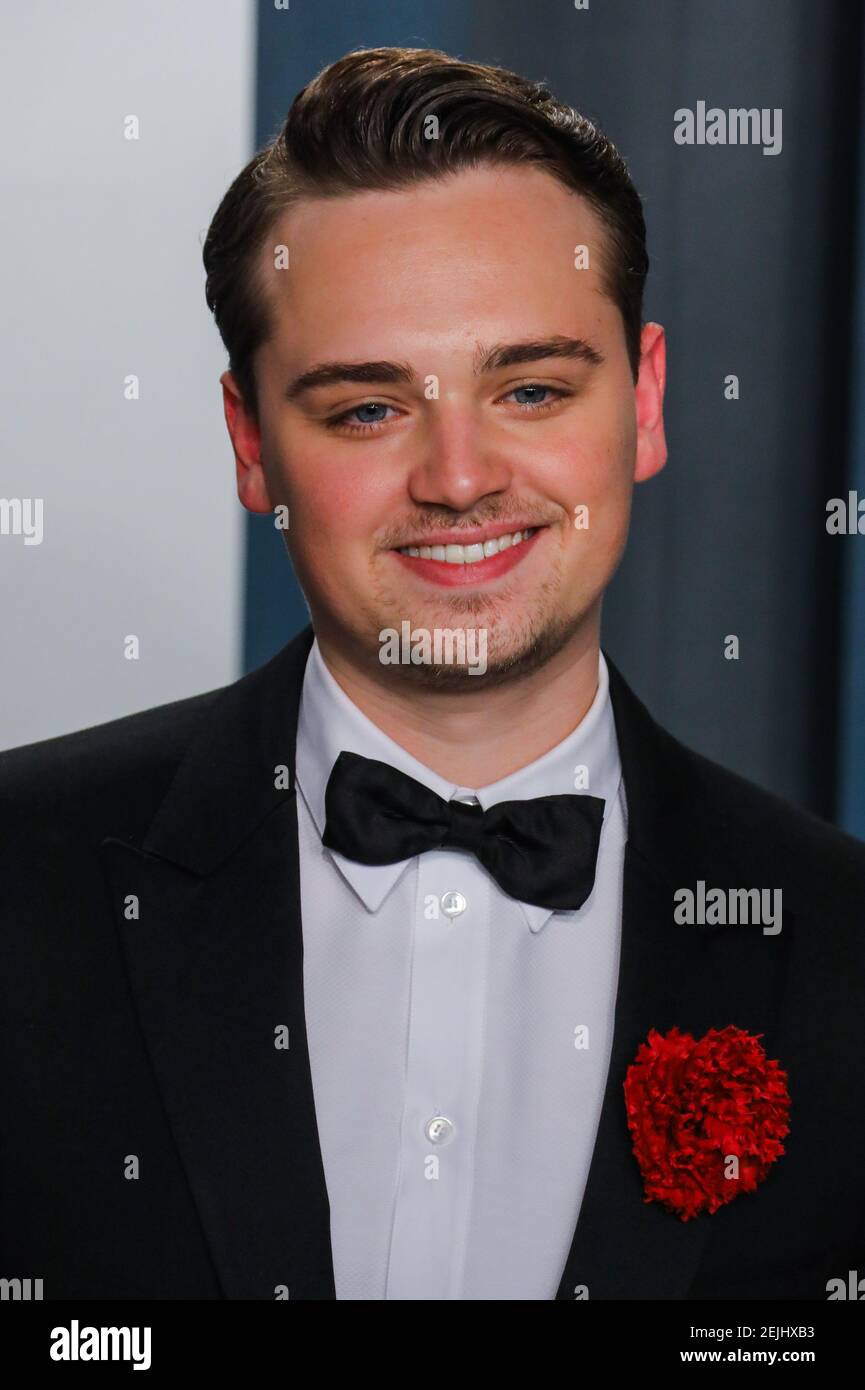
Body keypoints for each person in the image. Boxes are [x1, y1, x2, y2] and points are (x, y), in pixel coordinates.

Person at [1, 46, 863, 1302]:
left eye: (528, 387)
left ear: (645, 402)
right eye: (366, 409)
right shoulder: (20, 884)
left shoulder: (840, 947)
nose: (459, 476)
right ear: (251, 445)